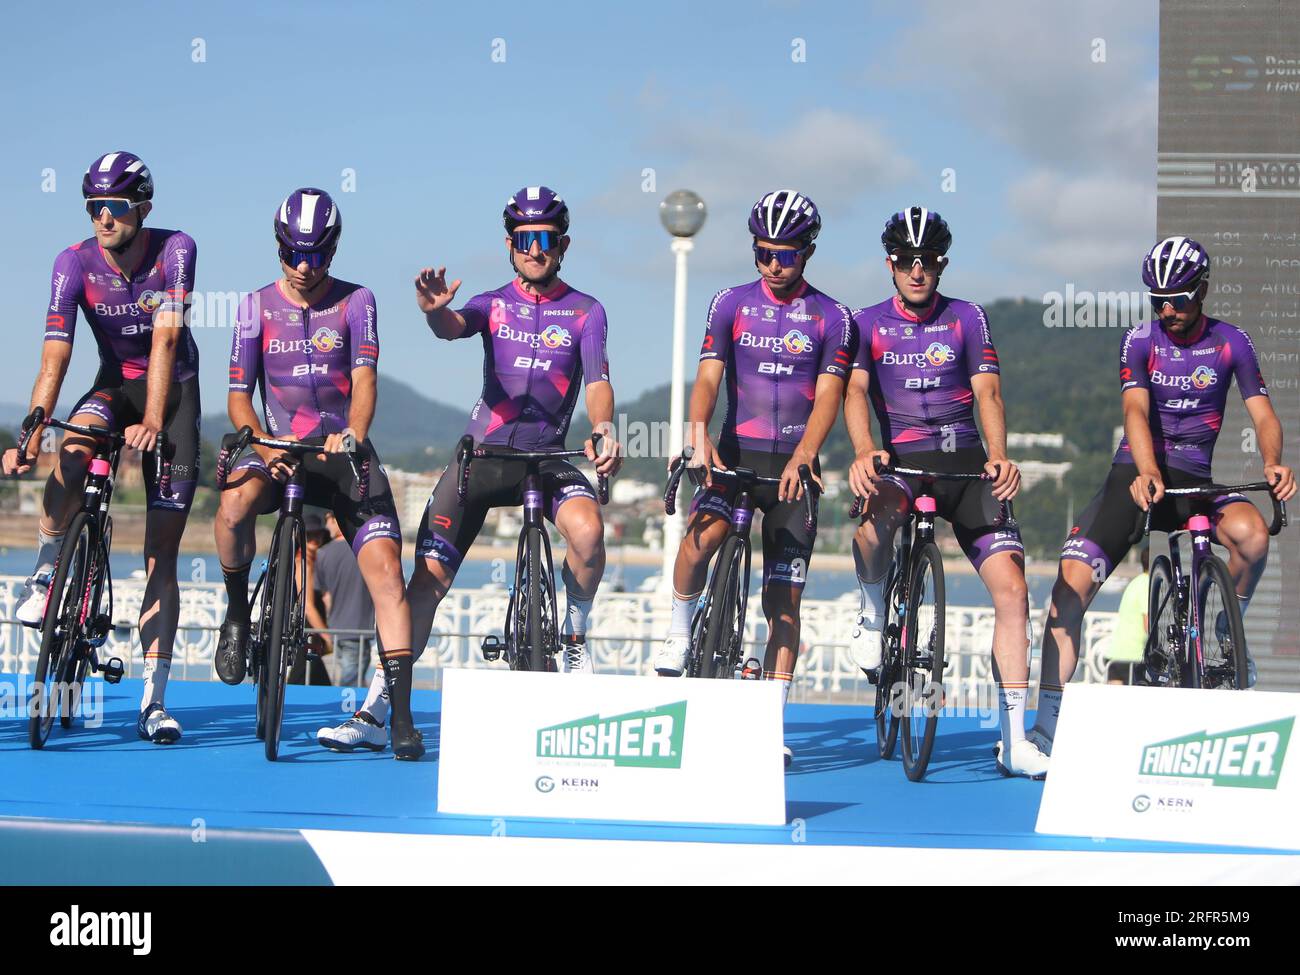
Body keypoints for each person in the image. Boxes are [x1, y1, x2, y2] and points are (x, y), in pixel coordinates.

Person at [317, 185, 621, 753]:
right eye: (524, 240)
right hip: (483, 457)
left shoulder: (587, 312)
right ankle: (377, 708)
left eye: (545, 239)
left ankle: (574, 632)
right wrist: (435, 313)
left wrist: (603, 429)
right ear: (510, 245)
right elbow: (455, 325)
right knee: (425, 585)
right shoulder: (495, 302)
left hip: (548, 458)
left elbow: (599, 385)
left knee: (589, 531)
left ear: (563, 244)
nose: (535, 249)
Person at [1035, 237, 1295, 746]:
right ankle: (1045, 725)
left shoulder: (1232, 342)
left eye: (1177, 298)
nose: (1167, 310)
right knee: (1068, 591)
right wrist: (1147, 470)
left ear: (1203, 290)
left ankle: (1226, 633)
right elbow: (1134, 411)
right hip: (1136, 472)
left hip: (1195, 479)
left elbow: (1262, 413)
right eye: (1157, 300)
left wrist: (1272, 463)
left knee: (1254, 536)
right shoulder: (1139, 341)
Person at [213, 188, 422, 760]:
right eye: (292, 254)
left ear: (334, 249)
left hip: (341, 449)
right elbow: (237, 396)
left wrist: (353, 434)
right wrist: (258, 438)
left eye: (318, 255)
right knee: (231, 507)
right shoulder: (254, 306)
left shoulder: (358, 302)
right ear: (278, 246)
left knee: (385, 572)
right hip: (276, 445)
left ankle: (397, 715)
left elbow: (366, 381)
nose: (305, 267)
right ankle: (237, 611)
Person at [2, 151, 200, 744]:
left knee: (159, 551)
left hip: (175, 394)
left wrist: (156, 423)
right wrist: (32, 430)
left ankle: (153, 701)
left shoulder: (176, 250)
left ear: (142, 207)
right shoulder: (73, 262)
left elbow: (166, 340)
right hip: (114, 384)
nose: (103, 218)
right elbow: (55, 356)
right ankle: (43, 577)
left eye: (114, 206)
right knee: (73, 447)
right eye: (93, 206)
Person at [844, 207, 1046, 778]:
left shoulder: (968, 318)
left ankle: (1014, 738)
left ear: (941, 264)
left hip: (965, 467)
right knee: (873, 518)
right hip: (902, 466)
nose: (917, 271)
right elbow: (854, 393)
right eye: (907, 261)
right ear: (890, 264)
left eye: (928, 261)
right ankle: (872, 607)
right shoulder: (866, 323)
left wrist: (1000, 454)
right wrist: (863, 452)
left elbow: (988, 394)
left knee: (1013, 591)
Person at [654, 189, 853, 768]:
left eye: (786, 255)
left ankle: (772, 719)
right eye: (763, 253)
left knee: (784, 604)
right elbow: (709, 377)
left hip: (794, 465)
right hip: (737, 452)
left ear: (807, 253)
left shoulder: (832, 317)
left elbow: (830, 397)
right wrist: (698, 431)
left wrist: (806, 455)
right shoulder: (730, 302)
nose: (773, 265)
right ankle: (679, 628)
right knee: (700, 542)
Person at [314, 511, 374, 687]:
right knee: (351, 682)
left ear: (338, 520)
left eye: (329, 521)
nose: (326, 527)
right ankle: (348, 712)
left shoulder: (322, 553)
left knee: (349, 677)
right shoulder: (363, 550)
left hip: (335, 628)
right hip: (359, 628)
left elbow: (326, 597)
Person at [1105, 547, 1150, 685]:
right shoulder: (1147, 584)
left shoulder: (1135, 582)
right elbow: (1147, 624)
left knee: (1115, 705)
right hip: (1134, 657)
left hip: (1116, 653)